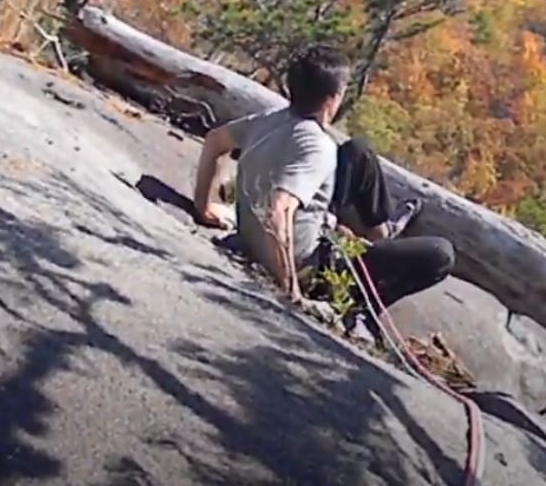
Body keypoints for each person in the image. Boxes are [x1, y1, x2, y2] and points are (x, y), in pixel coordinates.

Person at [191, 45, 454, 315]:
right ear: (332, 100)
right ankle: (360, 311)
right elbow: (278, 210)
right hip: (311, 270)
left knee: (357, 152)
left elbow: (214, 141)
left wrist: (204, 207)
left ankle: (382, 234)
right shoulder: (319, 148)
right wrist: (292, 292)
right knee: (440, 254)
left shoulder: (269, 120)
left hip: (259, 238)